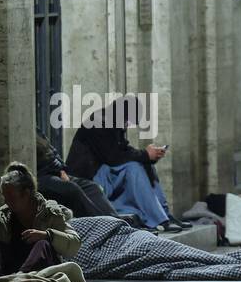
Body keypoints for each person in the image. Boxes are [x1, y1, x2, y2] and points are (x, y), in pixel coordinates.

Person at [64, 95, 187, 232]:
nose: (128, 124)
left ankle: (164, 214)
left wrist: (149, 157)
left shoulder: (115, 120)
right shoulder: (99, 121)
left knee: (146, 165)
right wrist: (145, 154)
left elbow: (124, 149)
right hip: (89, 177)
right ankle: (160, 219)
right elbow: (113, 157)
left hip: (104, 171)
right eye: (129, 121)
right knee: (134, 168)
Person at [0, 162, 81, 279]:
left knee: (43, 244)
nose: (7, 201)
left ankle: (19, 277)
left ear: (26, 194)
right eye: (5, 196)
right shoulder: (4, 217)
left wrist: (47, 235)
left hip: (39, 270)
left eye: (12, 197)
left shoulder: (50, 213)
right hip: (9, 268)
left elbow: (74, 243)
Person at [35, 130, 119, 219]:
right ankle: (102, 225)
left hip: (55, 171)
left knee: (92, 187)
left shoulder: (36, 131)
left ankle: (116, 222)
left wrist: (61, 169)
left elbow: (53, 152)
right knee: (71, 189)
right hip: (39, 176)